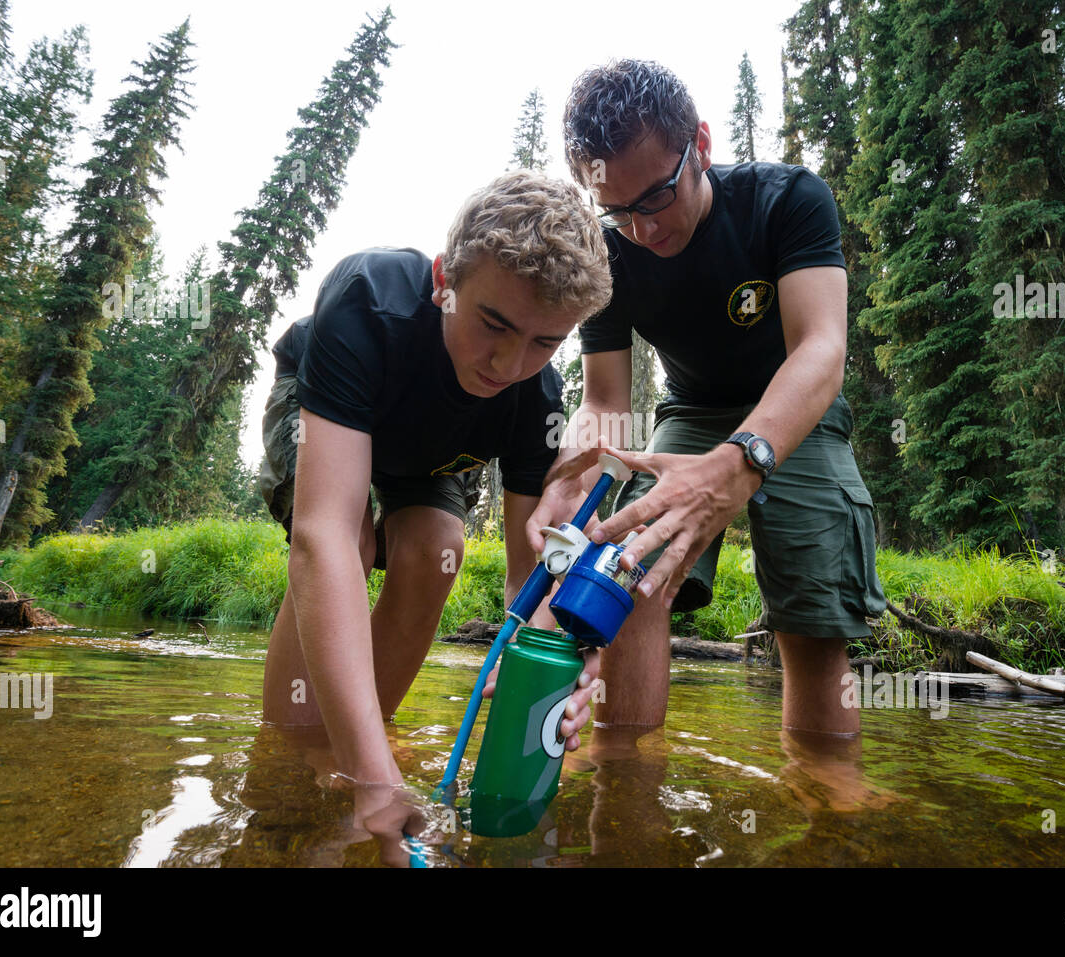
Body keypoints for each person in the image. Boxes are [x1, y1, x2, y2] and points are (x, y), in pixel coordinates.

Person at [529, 59, 887, 737]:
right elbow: (604, 400)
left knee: (814, 616)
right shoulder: (610, 253)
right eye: (618, 210)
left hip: (795, 408)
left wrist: (743, 458)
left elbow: (821, 350)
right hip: (690, 414)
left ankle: (825, 792)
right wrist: (573, 476)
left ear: (700, 144)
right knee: (627, 575)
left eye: (657, 198)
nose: (642, 230)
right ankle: (627, 794)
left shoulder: (786, 201)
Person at [257, 170, 612, 840]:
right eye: (495, 324)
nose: (508, 363)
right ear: (446, 278)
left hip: (429, 454)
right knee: (354, 543)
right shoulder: (367, 300)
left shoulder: (533, 395)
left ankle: (360, 754)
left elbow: (527, 578)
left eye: (544, 342)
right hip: (328, 414)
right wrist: (376, 779)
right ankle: (283, 771)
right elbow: (322, 534)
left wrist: (550, 667)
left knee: (438, 548)